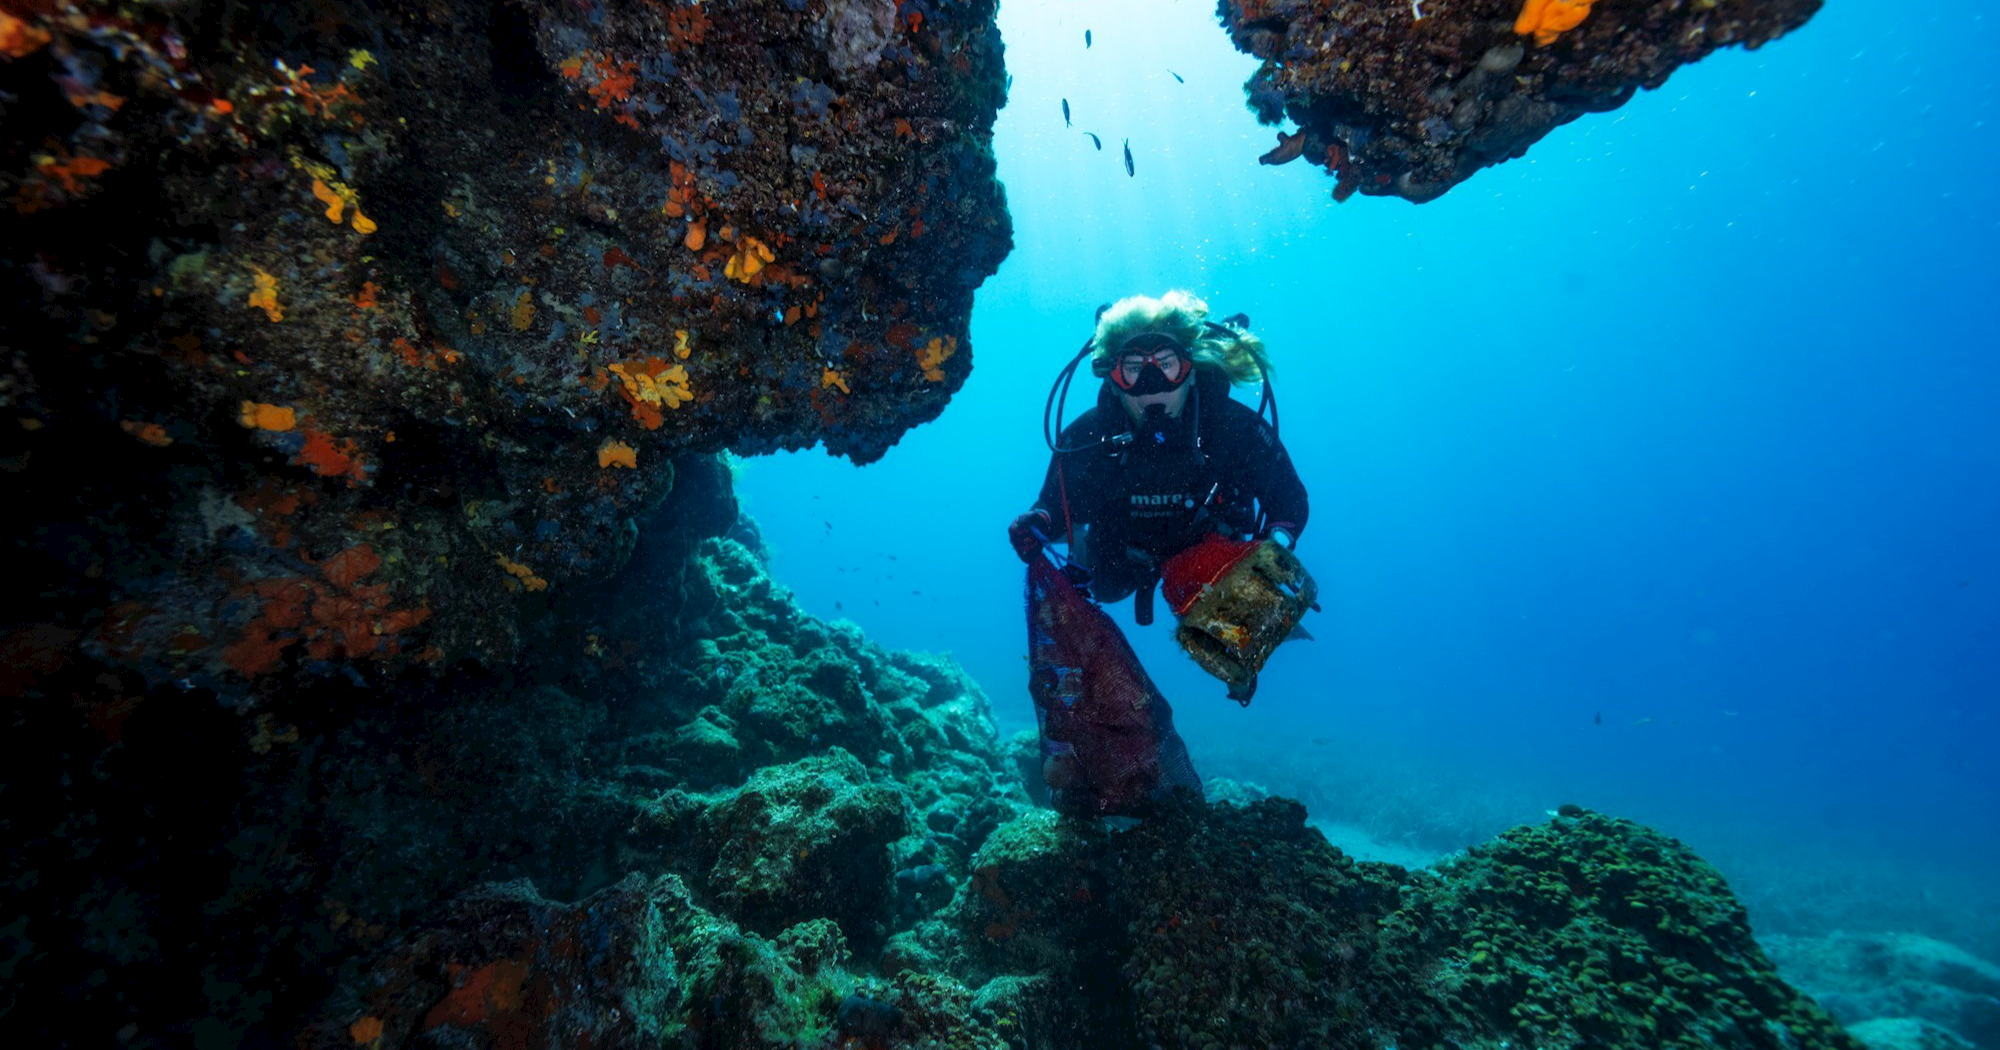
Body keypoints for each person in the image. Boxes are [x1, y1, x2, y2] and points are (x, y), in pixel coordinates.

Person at [1009, 290, 1309, 626]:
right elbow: (1053, 504)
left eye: (1166, 365)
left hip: (1211, 554)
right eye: (1134, 368)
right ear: (1113, 378)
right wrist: (1039, 522)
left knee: (1228, 610)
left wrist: (1272, 550)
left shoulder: (1233, 427)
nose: (1152, 385)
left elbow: (1289, 501)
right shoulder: (1088, 437)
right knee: (1103, 586)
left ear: (1190, 371)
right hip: (1120, 553)